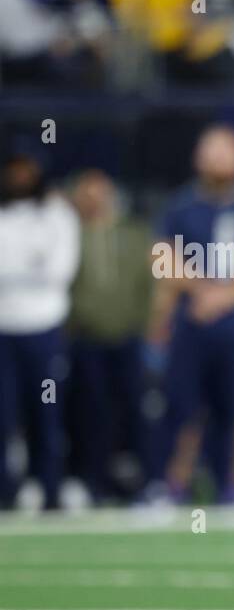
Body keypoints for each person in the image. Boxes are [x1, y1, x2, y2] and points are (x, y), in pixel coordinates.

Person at [149, 125, 234, 504]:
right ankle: (171, 484)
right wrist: (201, 290)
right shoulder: (181, 208)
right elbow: (161, 259)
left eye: (227, 150)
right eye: (213, 150)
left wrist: (223, 298)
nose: (220, 158)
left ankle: (233, 486)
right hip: (191, 325)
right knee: (182, 407)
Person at [65, 170, 154, 503]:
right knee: (91, 411)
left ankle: (145, 481)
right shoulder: (69, 234)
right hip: (85, 338)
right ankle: (94, 482)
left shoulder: (135, 234)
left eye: (99, 193)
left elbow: (150, 283)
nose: (94, 200)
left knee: (135, 408)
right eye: (86, 194)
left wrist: (148, 325)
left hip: (129, 337)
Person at [0, 149, 80, 510]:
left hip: (45, 329)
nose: (20, 177)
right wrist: (30, 264)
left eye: (26, 169)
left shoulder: (58, 215)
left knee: (46, 414)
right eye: (13, 170)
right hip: (4, 331)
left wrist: (19, 269)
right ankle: (7, 494)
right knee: (5, 414)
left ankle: (50, 492)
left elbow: (59, 272)